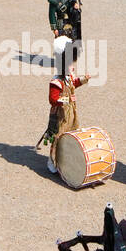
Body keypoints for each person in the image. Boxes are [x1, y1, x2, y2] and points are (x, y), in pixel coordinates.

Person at [41, 36, 87, 173]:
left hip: (71, 112)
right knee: (57, 138)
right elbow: (53, 99)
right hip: (60, 114)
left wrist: (83, 80)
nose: (72, 67)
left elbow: (73, 85)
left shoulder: (68, 77)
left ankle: (65, 160)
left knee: (69, 135)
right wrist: (66, 99)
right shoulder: (56, 82)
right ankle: (52, 161)